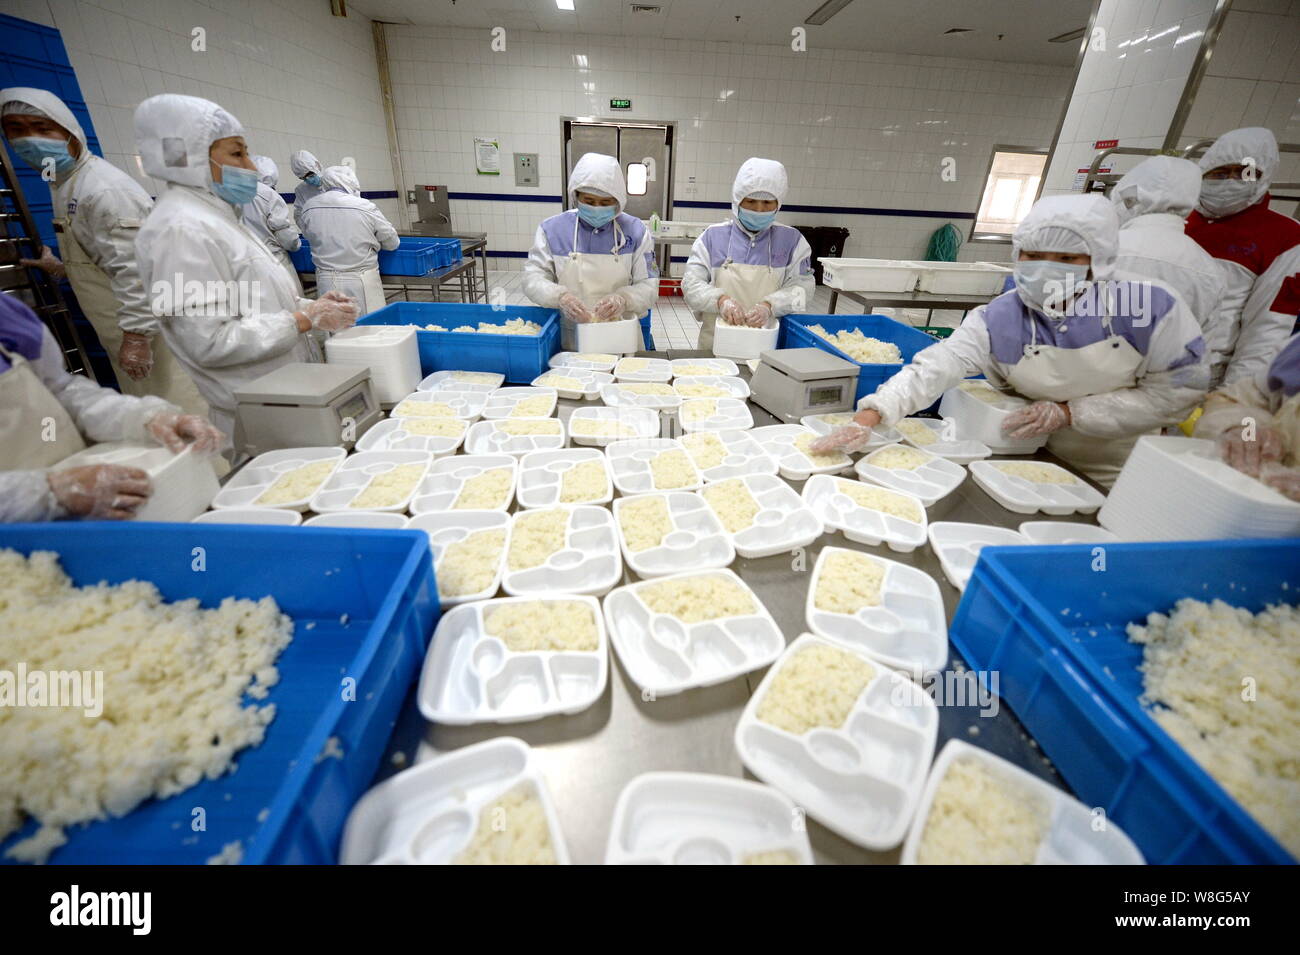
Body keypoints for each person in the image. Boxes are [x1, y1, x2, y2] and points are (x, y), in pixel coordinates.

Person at [812, 194, 1210, 487]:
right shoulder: (1001, 314)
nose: (1046, 268)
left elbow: (1178, 394)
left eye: (1067, 258)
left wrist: (1072, 413)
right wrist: (872, 414)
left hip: (1115, 464)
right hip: (1017, 455)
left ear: (1099, 259)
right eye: (1034, 255)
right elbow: (938, 365)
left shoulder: (1147, 307)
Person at [132, 94, 359, 448]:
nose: (252, 168)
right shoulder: (177, 230)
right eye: (237, 154)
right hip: (257, 409)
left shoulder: (219, 218)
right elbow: (206, 342)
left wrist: (311, 306)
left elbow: (251, 298)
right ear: (189, 157)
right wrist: (301, 319)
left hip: (285, 393)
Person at [0, 87, 207, 418]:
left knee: (180, 412)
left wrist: (137, 336)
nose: (30, 139)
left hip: (153, 335)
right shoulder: (66, 183)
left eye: (42, 128)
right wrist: (62, 267)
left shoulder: (102, 189)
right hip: (126, 330)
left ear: (69, 131)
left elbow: (141, 270)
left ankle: (214, 470)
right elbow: (108, 260)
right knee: (159, 418)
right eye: (17, 130)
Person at [0, 293, 222, 522]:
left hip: (82, 512)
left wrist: (144, 417)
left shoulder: (7, 315)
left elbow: (60, 391)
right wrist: (47, 492)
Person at [1186, 127, 1300, 385]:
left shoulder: (1285, 237)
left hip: (1204, 374)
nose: (1231, 182)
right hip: (1140, 363)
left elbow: (1267, 331)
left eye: (1246, 173)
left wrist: (1231, 399)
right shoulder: (1176, 218)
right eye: (1221, 173)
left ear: (1264, 177)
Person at [1111, 155, 1230, 381]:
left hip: (1087, 385)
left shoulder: (1103, 248)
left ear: (1129, 197)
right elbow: (1202, 346)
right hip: (1161, 391)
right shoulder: (1209, 268)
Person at [521, 152, 657, 351]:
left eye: (605, 203)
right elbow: (532, 279)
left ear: (618, 201)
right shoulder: (552, 230)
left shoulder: (635, 231)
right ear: (575, 196)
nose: (596, 209)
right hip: (569, 335)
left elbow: (649, 286)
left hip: (619, 332)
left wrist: (623, 299)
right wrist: (560, 297)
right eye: (589, 201)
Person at [682, 158, 814, 350]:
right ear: (737, 200)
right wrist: (721, 301)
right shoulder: (712, 237)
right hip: (716, 344)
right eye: (751, 201)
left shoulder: (792, 241)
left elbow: (804, 290)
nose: (759, 210)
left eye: (768, 202)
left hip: (767, 345)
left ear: (779, 203)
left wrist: (769, 307)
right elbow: (690, 285)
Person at [1195, 330, 1300, 500]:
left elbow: (1266, 332)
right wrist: (1243, 428)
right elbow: (1236, 401)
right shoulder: (1294, 351)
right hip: (1257, 509)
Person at [296, 164, 399, 315]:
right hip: (360, 280)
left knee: (334, 329)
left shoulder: (309, 207)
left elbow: (307, 235)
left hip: (325, 280)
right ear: (351, 183)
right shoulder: (364, 206)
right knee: (369, 327)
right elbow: (391, 241)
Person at [242, 154, 302, 290]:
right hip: (275, 262)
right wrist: (296, 244)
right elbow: (286, 237)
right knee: (291, 305)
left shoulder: (233, 193)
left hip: (248, 265)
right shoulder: (267, 194)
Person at [289, 149, 325, 226]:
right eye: (303, 178)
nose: (308, 180)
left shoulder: (335, 180)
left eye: (310, 175)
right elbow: (299, 213)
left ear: (317, 166)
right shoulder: (301, 190)